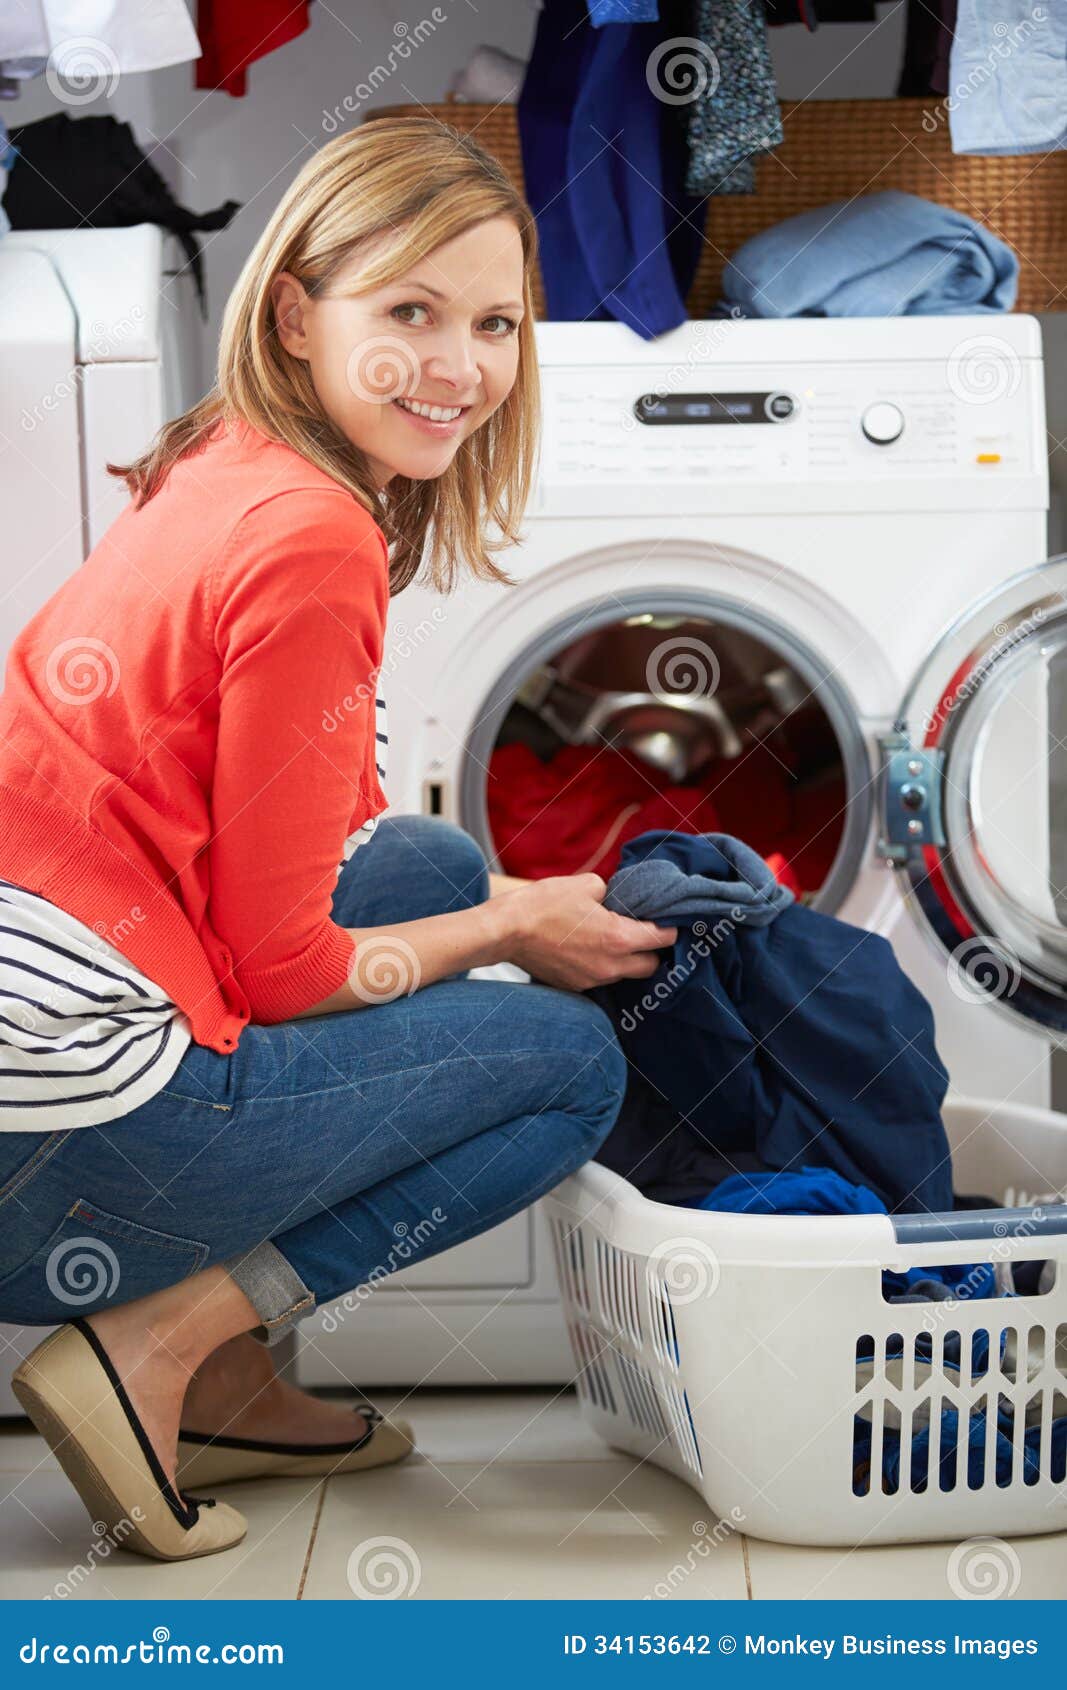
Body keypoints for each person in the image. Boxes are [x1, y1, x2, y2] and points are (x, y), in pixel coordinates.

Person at [0, 116, 676, 1562]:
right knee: (570, 1065)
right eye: (410, 312)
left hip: (35, 1062)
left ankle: (226, 1387)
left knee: (428, 869)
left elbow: (288, 851)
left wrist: (481, 901)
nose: (459, 366)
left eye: (495, 323)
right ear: (298, 315)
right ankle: (153, 1349)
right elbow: (291, 971)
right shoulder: (315, 538)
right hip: (48, 1150)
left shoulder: (228, 456)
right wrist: (515, 924)